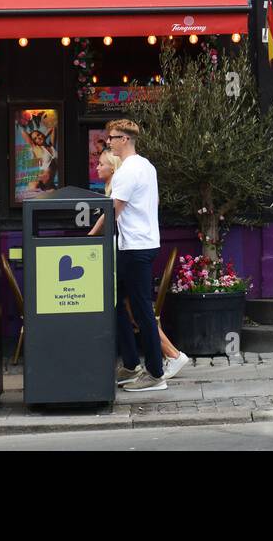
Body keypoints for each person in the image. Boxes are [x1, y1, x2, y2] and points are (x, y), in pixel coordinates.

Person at [89, 148, 188, 379]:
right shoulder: (138, 175)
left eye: (101, 163)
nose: (97, 167)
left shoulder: (125, 180)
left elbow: (111, 214)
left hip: (132, 249)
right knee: (125, 306)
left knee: (136, 308)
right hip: (132, 248)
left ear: (112, 167)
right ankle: (134, 364)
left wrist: (90, 236)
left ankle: (167, 359)